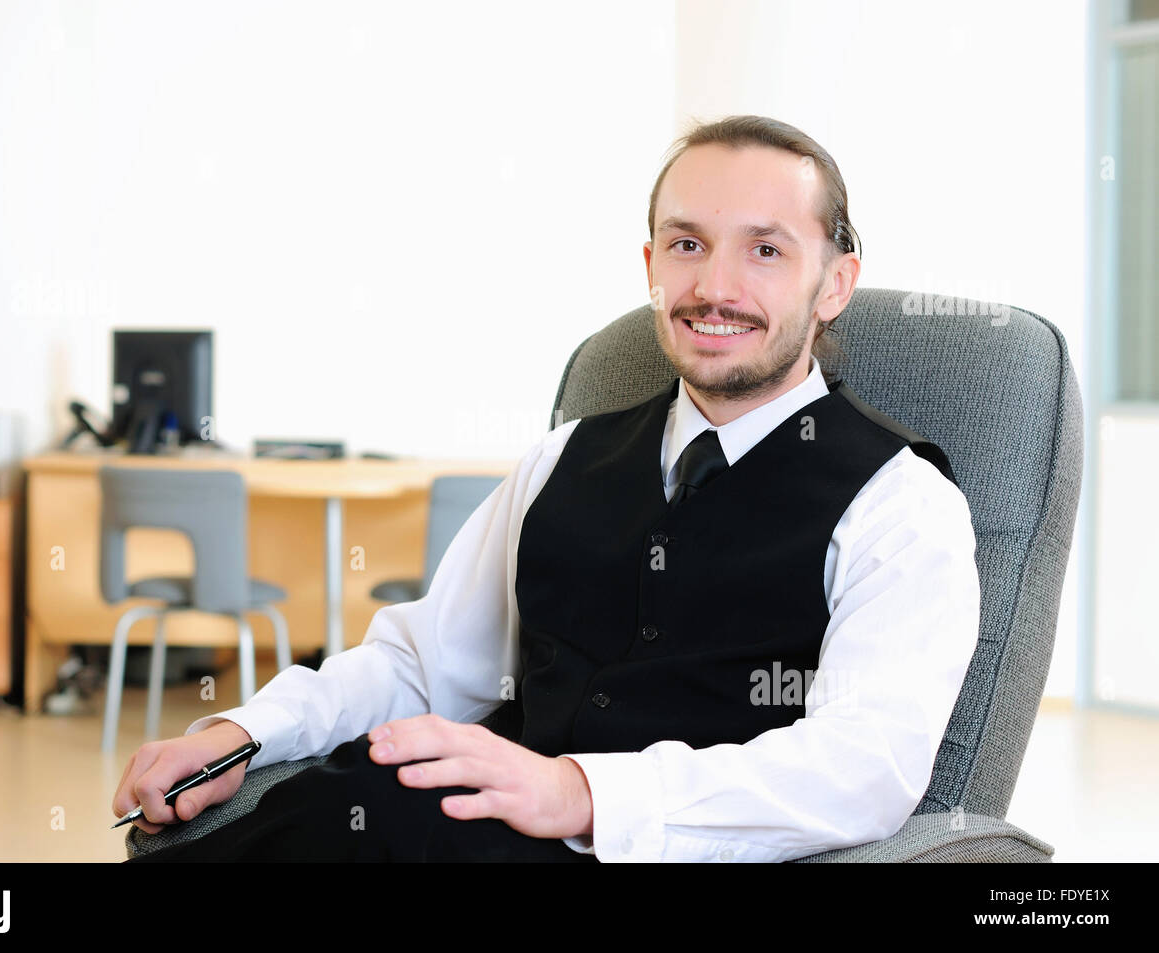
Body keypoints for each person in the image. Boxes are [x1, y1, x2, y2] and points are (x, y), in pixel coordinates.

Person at [118, 115, 981, 863]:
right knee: (345, 810)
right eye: (687, 244)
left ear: (835, 283)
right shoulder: (564, 457)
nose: (715, 288)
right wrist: (247, 731)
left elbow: (864, 767)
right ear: (651, 264)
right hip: (447, 828)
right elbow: (422, 668)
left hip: (661, 852)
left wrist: (582, 792)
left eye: (765, 249)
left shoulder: (901, 503)